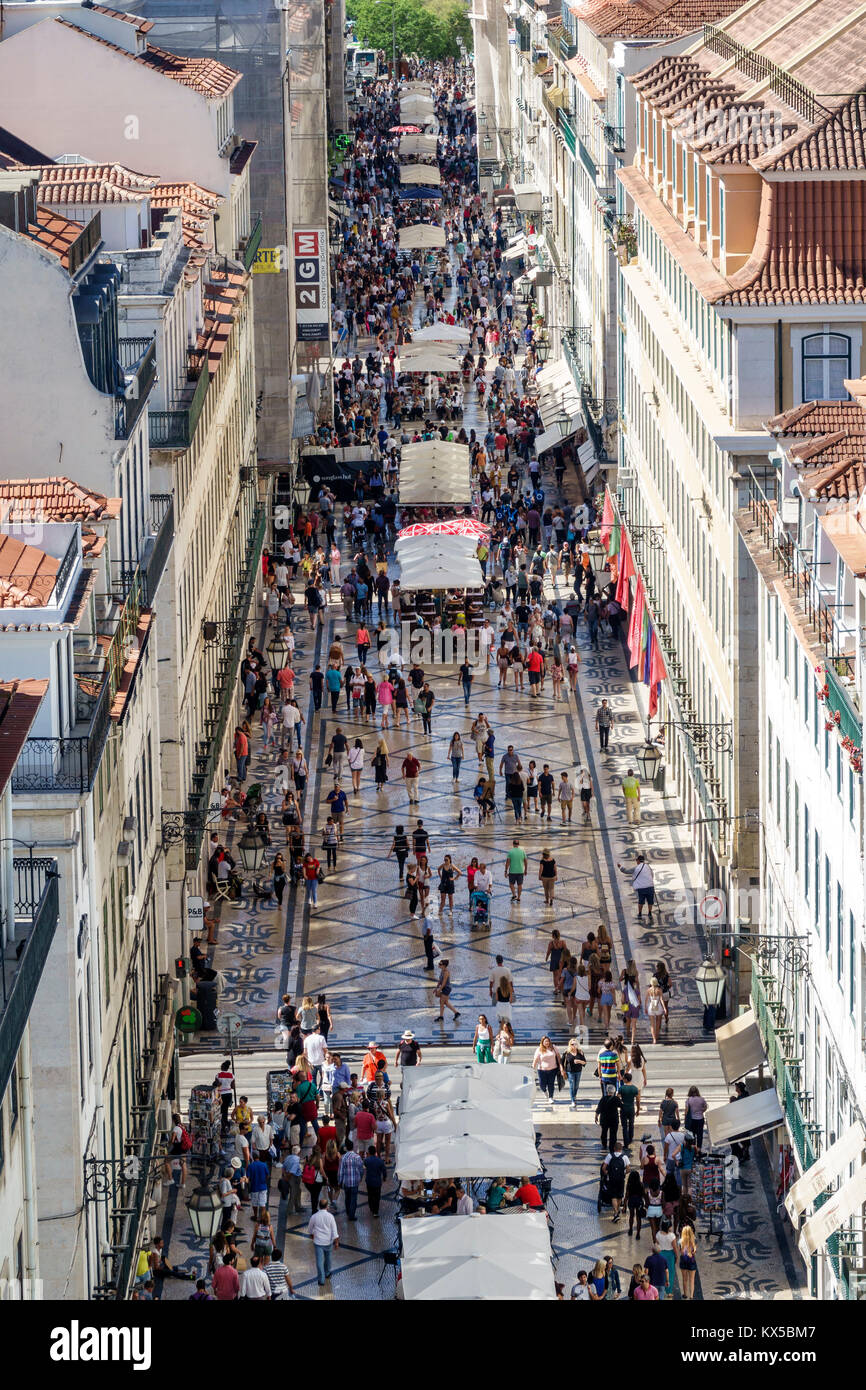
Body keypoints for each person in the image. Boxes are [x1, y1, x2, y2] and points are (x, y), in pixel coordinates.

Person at [308, 1197, 339, 1288]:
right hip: (328, 1242)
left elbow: (310, 1229)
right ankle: (327, 1273)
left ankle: (321, 1280)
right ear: (327, 1207)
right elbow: (334, 1231)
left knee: (319, 1261)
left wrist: (312, 1235)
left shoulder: (314, 1216)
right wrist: (336, 1242)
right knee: (328, 1259)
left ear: (319, 1206)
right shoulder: (330, 1217)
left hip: (318, 1242)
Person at [603, 1141, 629, 1221]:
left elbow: (604, 1168)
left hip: (612, 1179)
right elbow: (628, 1169)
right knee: (619, 1195)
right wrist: (623, 1173)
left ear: (614, 1148)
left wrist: (608, 1173)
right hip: (621, 1179)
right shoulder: (625, 1157)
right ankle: (617, 1211)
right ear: (621, 1149)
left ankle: (616, 1212)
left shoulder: (609, 1156)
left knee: (613, 1196)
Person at [532, 1035, 562, 1102]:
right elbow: (535, 1060)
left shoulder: (553, 1047)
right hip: (542, 1070)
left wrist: (561, 1066)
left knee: (551, 1084)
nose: (547, 1043)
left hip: (553, 1069)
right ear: (542, 1042)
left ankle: (551, 1097)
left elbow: (558, 1057)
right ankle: (545, 1092)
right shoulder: (539, 1049)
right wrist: (532, 1068)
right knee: (542, 1085)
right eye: (545, 1041)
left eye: (548, 1041)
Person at [596, 1085, 622, 1152]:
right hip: (614, 1119)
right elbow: (621, 1106)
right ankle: (612, 1147)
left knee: (604, 1132)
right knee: (613, 1134)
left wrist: (596, 1116)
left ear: (607, 1091)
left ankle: (604, 1144)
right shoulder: (616, 1099)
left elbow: (599, 1109)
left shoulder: (603, 1099)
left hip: (604, 1119)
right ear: (614, 1091)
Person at [433, 959, 460, 1023]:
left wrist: (439, 990)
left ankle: (441, 1017)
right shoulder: (442, 971)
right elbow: (440, 981)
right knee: (446, 1003)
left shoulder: (446, 972)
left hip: (446, 989)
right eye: (439, 963)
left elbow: (444, 983)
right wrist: (436, 988)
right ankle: (456, 1013)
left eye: (440, 964)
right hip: (444, 988)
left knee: (442, 1002)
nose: (439, 965)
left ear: (444, 965)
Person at [563, 1037, 586, 1109]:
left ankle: (574, 1095)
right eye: (572, 1044)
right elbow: (561, 1062)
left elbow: (584, 1062)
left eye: (575, 1044)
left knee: (576, 1086)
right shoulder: (566, 1053)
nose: (574, 1045)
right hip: (570, 1071)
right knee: (572, 1085)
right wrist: (562, 1070)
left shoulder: (580, 1052)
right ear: (570, 1044)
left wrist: (579, 1061)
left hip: (578, 1071)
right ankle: (573, 1100)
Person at [364, 1146, 387, 1217]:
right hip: (377, 1182)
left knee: (370, 1195)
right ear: (375, 1152)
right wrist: (384, 1178)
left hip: (369, 1181)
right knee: (377, 1197)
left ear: (369, 1152)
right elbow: (384, 1171)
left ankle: (371, 1207)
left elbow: (365, 1166)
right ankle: (375, 1212)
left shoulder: (366, 1160)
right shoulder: (380, 1161)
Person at [504, 837, 528, 902]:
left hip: (512, 871)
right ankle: (519, 897)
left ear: (513, 844)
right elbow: (526, 861)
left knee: (511, 884)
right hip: (520, 871)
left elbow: (508, 862)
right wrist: (525, 870)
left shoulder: (510, 852)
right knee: (520, 885)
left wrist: (506, 871)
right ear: (518, 844)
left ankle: (514, 894)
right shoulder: (522, 851)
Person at [685, 1086, 708, 1150]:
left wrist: (685, 1119)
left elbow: (686, 1111)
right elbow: (705, 1107)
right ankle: (699, 1149)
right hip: (700, 1119)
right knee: (700, 1135)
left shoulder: (688, 1100)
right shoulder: (701, 1099)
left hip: (692, 1120)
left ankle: (693, 1149)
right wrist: (701, 1111)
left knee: (692, 1135)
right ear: (697, 1091)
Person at [679, 1223, 698, 1300]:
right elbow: (694, 1252)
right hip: (692, 1262)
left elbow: (681, 1252)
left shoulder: (680, 1241)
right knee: (692, 1280)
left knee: (684, 1279)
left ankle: (685, 1294)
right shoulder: (694, 1241)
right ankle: (691, 1296)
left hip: (683, 1261)